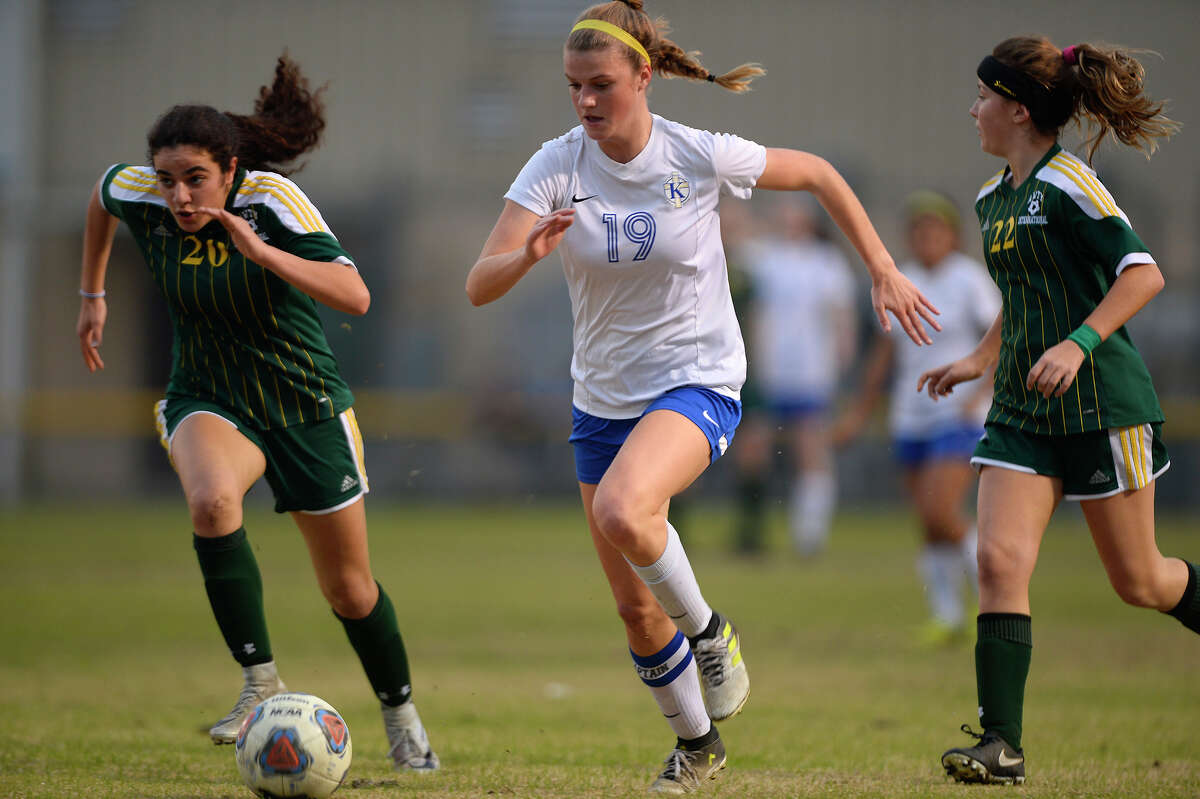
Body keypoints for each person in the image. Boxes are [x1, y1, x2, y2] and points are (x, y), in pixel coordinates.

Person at [465, 1, 939, 792]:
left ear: (644, 76)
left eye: (602, 85)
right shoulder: (554, 164)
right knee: (634, 610)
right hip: (601, 402)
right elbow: (480, 283)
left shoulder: (698, 153)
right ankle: (697, 745)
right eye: (574, 86)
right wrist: (528, 254)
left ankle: (714, 635)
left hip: (698, 381)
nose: (586, 102)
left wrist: (883, 266)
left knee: (624, 510)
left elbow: (819, 174)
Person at [74, 55, 439, 771]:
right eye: (168, 177)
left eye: (195, 179)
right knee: (211, 502)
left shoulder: (270, 201)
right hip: (206, 394)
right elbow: (99, 194)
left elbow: (355, 295)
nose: (178, 195)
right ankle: (257, 682)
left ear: (231, 170)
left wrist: (260, 249)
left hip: (304, 403)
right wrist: (92, 295)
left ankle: (402, 716)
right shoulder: (141, 192)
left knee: (349, 588)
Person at [920, 37, 1193, 785]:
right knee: (998, 560)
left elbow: (1143, 273)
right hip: (1021, 409)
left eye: (980, 96)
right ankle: (1000, 743)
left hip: (1103, 404)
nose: (972, 110)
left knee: (1141, 582)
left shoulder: (1070, 182)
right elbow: (1026, 290)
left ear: (1015, 107)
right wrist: (980, 356)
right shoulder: (991, 197)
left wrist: (1077, 344)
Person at [836, 190, 1000, 643]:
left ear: (953, 235)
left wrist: (981, 394)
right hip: (911, 416)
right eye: (919, 229)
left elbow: (1000, 340)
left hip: (959, 413)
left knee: (941, 509)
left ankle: (996, 595)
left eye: (936, 229)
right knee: (927, 522)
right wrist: (858, 413)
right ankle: (947, 615)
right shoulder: (900, 278)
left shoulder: (969, 280)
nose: (927, 237)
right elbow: (882, 357)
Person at [729, 196, 857, 556]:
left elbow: (841, 315)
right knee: (756, 447)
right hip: (771, 370)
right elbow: (736, 243)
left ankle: (809, 532)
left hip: (811, 370)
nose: (787, 221)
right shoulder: (766, 257)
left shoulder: (825, 262)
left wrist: (841, 356)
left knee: (810, 449)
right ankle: (754, 528)